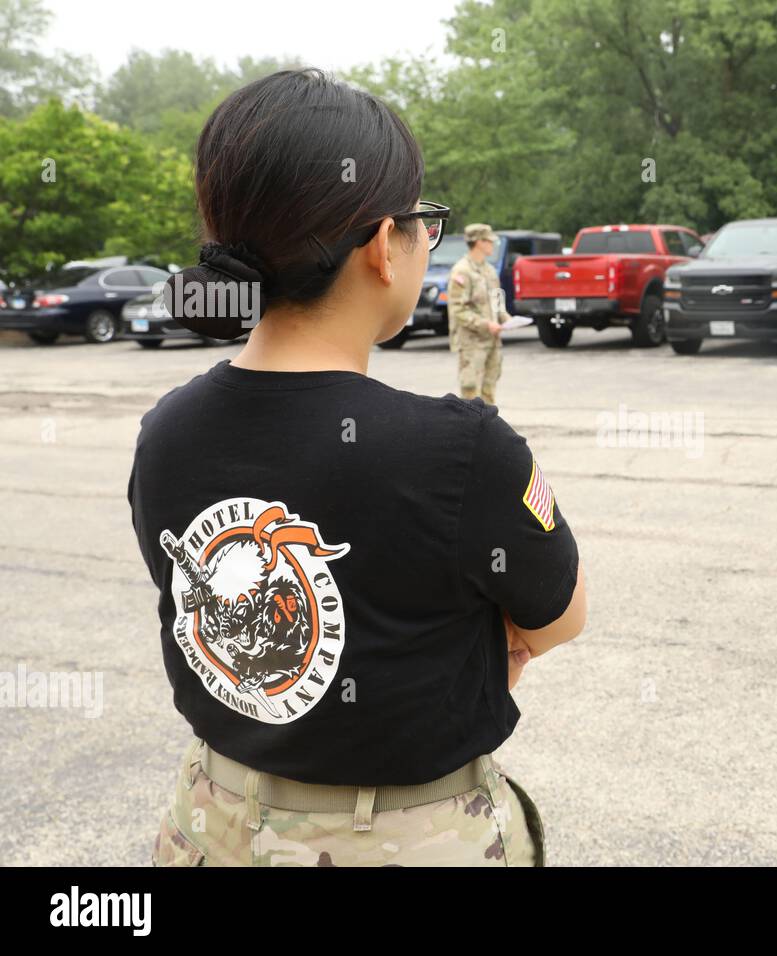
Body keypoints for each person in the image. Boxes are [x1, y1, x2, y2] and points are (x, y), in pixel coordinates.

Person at [129, 70, 587, 867]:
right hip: (408, 841)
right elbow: (559, 616)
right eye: (423, 223)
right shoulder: (460, 449)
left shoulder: (166, 430)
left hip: (210, 821)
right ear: (382, 244)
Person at [448, 224, 510, 404]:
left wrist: (506, 319)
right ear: (479, 242)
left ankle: (488, 430)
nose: (493, 244)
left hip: (492, 341)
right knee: (471, 395)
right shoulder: (462, 271)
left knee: (489, 391)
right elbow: (458, 309)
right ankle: (470, 432)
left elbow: (497, 303)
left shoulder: (489, 270)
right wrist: (486, 324)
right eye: (489, 241)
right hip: (472, 344)